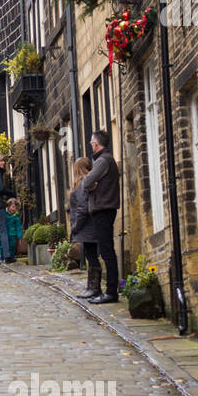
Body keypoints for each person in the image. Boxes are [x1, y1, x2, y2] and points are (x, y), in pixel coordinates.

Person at [81, 130, 121, 303]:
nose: (90, 144)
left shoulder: (103, 160)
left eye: (91, 142)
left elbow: (86, 182)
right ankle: (110, 290)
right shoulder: (104, 160)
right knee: (106, 250)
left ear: (96, 144)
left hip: (103, 209)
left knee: (107, 251)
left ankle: (111, 292)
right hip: (104, 208)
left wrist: (90, 184)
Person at [69, 155, 99, 298]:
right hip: (90, 226)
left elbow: (82, 209)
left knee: (91, 256)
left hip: (86, 227)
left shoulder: (81, 185)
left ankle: (94, 288)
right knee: (91, 255)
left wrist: (75, 227)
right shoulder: (88, 183)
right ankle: (92, 287)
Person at [4, 198, 23, 266]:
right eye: (12, 207)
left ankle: (11, 257)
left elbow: (18, 226)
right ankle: (4, 256)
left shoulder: (16, 216)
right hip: (5, 233)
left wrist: (19, 235)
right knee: (4, 245)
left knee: (12, 245)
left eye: (15, 207)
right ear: (8, 206)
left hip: (12, 233)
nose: (14, 209)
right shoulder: (4, 214)